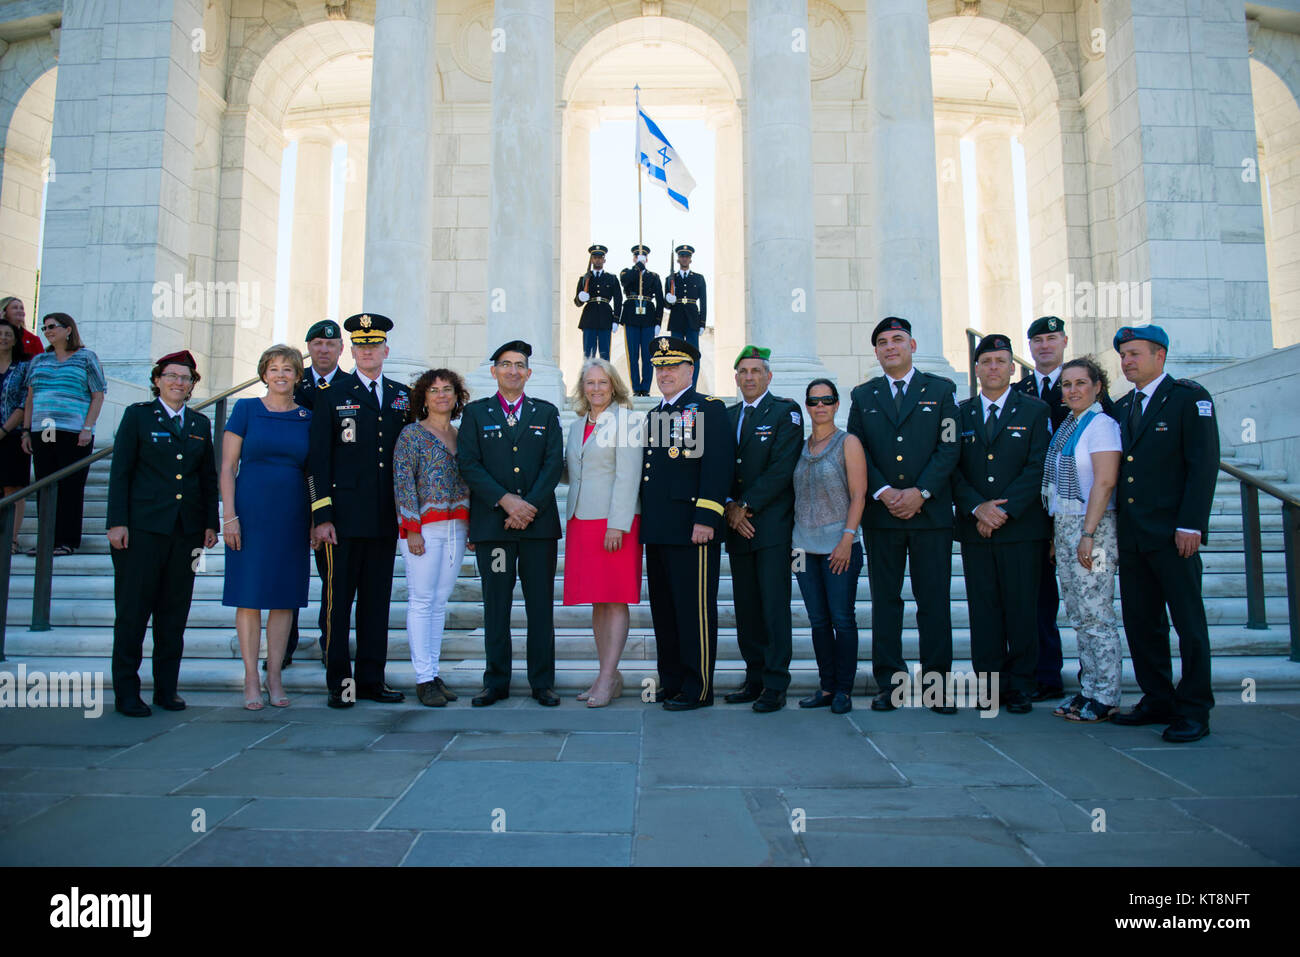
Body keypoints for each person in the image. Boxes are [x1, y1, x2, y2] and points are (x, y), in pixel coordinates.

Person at [1111, 325, 1219, 743]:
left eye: (1135, 353)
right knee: (1142, 623)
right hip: (1133, 535)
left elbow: (1203, 463)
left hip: (1175, 534)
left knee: (1188, 624)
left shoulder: (1189, 398)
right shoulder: (1123, 406)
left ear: (1160, 355)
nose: (1127, 361)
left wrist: (1192, 523)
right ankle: (1157, 697)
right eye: (1123, 355)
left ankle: (1194, 709)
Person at [847, 317, 960, 714]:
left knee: (933, 602)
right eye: (882, 342)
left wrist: (921, 492)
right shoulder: (863, 396)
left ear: (913, 344)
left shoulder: (942, 390)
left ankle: (937, 687)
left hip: (930, 516)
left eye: (897, 339)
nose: (890, 347)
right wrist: (883, 491)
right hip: (883, 516)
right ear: (875, 351)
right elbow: (856, 450)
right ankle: (889, 685)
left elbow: (949, 448)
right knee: (886, 602)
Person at [106, 351, 218, 716]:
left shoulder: (200, 424)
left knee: (174, 614)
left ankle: (166, 689)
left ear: (191, 385)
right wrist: (116, 522)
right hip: (141, 531)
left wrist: (210, 523)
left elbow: (207, 479)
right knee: (133, 613)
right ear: (157, 380)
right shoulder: (138, 416)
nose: (178, 383)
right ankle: (126, 692)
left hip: (184, 534)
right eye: (171, 376)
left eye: (185, 378)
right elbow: (120, 471)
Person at [308, 312, 410, 709]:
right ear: (352, 350)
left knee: (376, 603)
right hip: (343, 521)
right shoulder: (332, 394)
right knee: (337, 604)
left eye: (375, 345)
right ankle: (341, 683)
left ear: (386, 349)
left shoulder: (402, 395)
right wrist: (322, 516)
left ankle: (372, 679)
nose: (368, 352)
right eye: (361, 346)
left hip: (385, 518)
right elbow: (317, 462)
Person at [457, 340, 563, 707]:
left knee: (540, 606)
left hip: (537, 528)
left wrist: (528, 505)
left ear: (529, 373)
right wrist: (507, 502)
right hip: (494, 528)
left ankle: (542, 682)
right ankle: (496, 680)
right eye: (506, 364)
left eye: (520, 365)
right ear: (494, 371)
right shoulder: (476, 413)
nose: (513, 371)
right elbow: (469, 464)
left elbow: (553, 465)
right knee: (496, 604)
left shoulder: (546, 413)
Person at [951, 334, 1051, 714]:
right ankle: (989, 684)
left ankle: (1021, 686)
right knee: (984, 610)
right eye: (986, 361)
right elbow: (953, 468)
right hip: (977, 529)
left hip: (1021, 528)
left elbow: (1037, 466)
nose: (993, 367)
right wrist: (978, 507)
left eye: (1000, 361)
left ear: (1013, 368)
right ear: (976, 369)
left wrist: (1002, 511)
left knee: (1022, 608)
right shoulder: (959, 414)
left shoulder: (1035, 411)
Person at [641, 335, 734, 710]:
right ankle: (673, 680)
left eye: (673, 367)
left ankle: (698, 688)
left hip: (693, 529)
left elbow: (718, 466)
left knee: (693, 610)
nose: (665, 373)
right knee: (664, 610)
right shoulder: (653, 415)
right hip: (659, 528)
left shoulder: (707, 408)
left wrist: (708, 517)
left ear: (690, 371)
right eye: (660, 367)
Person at [221, 345, 312, 710]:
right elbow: (228, 466)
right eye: (273, 368)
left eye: (288, 369)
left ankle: (274, 674)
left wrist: (315, 520)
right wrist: (229, 515)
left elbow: (312, 470)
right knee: (249, 594)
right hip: (250, 511)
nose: (280, 375)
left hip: (292, 512)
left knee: (284, 596)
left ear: (297, 377)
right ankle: (250, 677)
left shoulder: (307, 415)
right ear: (263, 374)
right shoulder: (245, 410)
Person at [1043, 357, 1123, 723]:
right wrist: (1061, 537)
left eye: (1080, 383)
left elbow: (1104, 482)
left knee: (1097, 613)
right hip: (1067, 524)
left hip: (1095, 528)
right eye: (1067, 384)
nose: (1073, 390)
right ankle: (1089, 688)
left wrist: (1088, 534)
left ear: (1097, 387)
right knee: (1078, 613)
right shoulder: (1069, 426)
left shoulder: (1102, 426)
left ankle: (1106, 694)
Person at [723, 346, 803, 713]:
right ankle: (754, 677)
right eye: (743, 371)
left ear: (769, 377)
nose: (750, 377)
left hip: (769, 527)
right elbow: (717, 469)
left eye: (756, 371)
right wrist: (728, 507)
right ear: (736, 377)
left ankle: (775, 683)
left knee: (773, 607)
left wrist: (746, 507)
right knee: (747, 609)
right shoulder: (727, 416)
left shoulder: (785, 412)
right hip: (736, 528)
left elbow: (782, 468)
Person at [562, 357, 643, 707]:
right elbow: (572, 472)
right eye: (590, 383)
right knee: (597, 599)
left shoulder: (627, 421)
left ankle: (608, 676)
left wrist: (617, 524)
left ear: (614, 386)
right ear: (582, 388)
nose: (596, 388)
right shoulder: (578, 424)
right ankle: (607, 672)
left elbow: (629, 476)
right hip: (582, 519)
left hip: (613, 522)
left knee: (615, 597)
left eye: (602, 382)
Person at [393, 368, 471, 708]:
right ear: (423, 397)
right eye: (434, 390)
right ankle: (423, 677)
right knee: (422, 600)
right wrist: (411, 528)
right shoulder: (411, 435)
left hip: (457, 527)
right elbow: (403, 482)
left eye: (447, 390)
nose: (441, 395)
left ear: (456, 396)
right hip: (423, 529)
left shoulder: (461, 434)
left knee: (440, 602)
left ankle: (434, 671)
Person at [793, 378, 867, 714]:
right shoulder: (798, 445)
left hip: (840, 544)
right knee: (817, 620)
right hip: (801, 549)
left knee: (842, 618)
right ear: (807, 406)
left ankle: (843, 690)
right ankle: (826, 686)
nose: (820, 406)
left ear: (837, 405)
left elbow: (859, 495)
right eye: (814, 401)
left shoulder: (847, 442)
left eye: (827, 400)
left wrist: (847, 539)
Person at [282, 318, 349, 670]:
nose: (323, 350)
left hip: (331, 497)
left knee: (332, 579)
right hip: (293, 493)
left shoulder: (351, 388)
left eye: (331, 344)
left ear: (341, 349)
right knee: (289, 574)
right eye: (317, 344)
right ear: (308, 348)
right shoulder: (292, 384)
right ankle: (284, 645)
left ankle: (330, 644)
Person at [1014, 315, 1069, 701]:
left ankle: (1051, 674)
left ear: (1064, 341)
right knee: (1034, 597)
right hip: (1031, 509)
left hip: (1072, 508)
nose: (1044, 346)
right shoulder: (1021, 390)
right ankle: (1035, 672)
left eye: (1051, 339)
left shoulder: (1082, 386)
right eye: (1037, 341)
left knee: (1067, 602)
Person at [20, 312, 106, 556]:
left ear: (68, 329)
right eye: (44, 327)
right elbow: (30, 398)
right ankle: (46, 539)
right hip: (42, 431)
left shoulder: (86, 357)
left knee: (70, 486)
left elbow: (98, 394)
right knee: (45, 485)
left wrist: (87, 427)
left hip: (74, 431)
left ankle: (67, 541)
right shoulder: (39, 361)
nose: (47, 331)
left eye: (52, 326)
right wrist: (26, 431)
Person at [0, 322, 31, 553]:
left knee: (14, 489)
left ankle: (11, 539)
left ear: (14, 339)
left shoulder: (23, 367)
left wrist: (3, 430)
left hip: (12, 436)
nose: (3, 338)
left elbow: (24, 402)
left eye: (7, 334)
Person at [618, 244, 662, 395]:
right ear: (634, 258)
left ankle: (646, 387)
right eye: (637, 256)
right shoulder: (627, 272)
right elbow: (625, 282)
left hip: (648, 317)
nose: (640, 258)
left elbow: (660, 301)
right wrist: (638, 267)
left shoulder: (654, 276)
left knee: (648, 356)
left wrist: (658, 321)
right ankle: (636, 388)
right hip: (631, 316)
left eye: (642, 256)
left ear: (647, 259)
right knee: (633, 354)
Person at [663, 245, 707, 388]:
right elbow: (667, 304)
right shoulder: (671, 278)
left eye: (687, 257)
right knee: (676, 354)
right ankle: (678, 385)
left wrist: (702, 322)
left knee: (693, 354)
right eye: (682, 256)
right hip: (677, 318)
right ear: (678, 259)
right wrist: (668, 300)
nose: (684, 259)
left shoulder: (699, 278)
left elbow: (704, 302)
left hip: (693, 319)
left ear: (690, 259)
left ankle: (691, 386)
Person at [574, 244, 623, 362]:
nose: (597, 260)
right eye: (595, 257)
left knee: (605, 356)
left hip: (605, 318)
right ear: (591, 260)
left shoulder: (611, 278)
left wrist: (616, 319)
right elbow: (577, 302)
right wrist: (581, 297)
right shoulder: (584, 278)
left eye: (600, 257)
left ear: (604, 260)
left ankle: (605, 380)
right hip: (589, 318)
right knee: (588, 356)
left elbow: (618, 299)